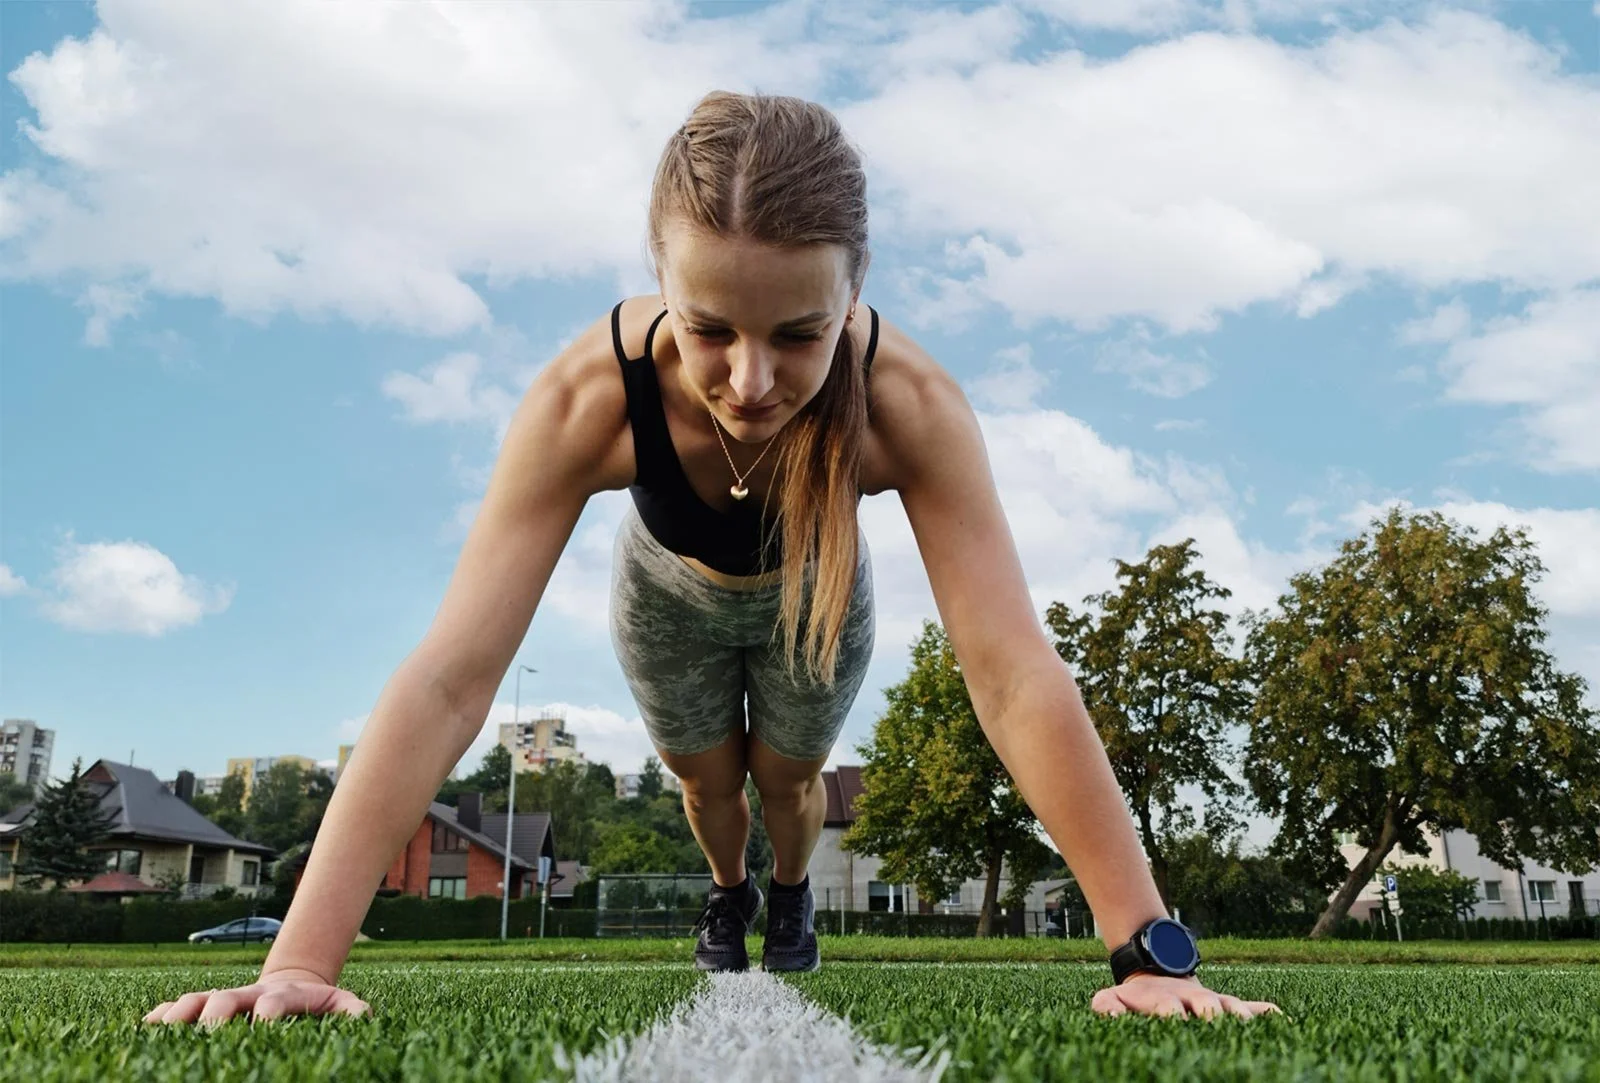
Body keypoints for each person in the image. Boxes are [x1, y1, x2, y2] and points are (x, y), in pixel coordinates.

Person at [145, 90, 1278, 1026]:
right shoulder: (589, 399)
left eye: (799, 335)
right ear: (662, 281)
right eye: (709, 329)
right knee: (706, 782)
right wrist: (299, 962)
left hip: (815, 585)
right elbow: (451, 677)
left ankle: (788, 893)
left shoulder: (909, 407)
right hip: (667, 591)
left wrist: (1147, 951)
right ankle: (728, 892)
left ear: (852, 294)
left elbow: (1013, 673)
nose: (749, 382)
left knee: (786, 782)